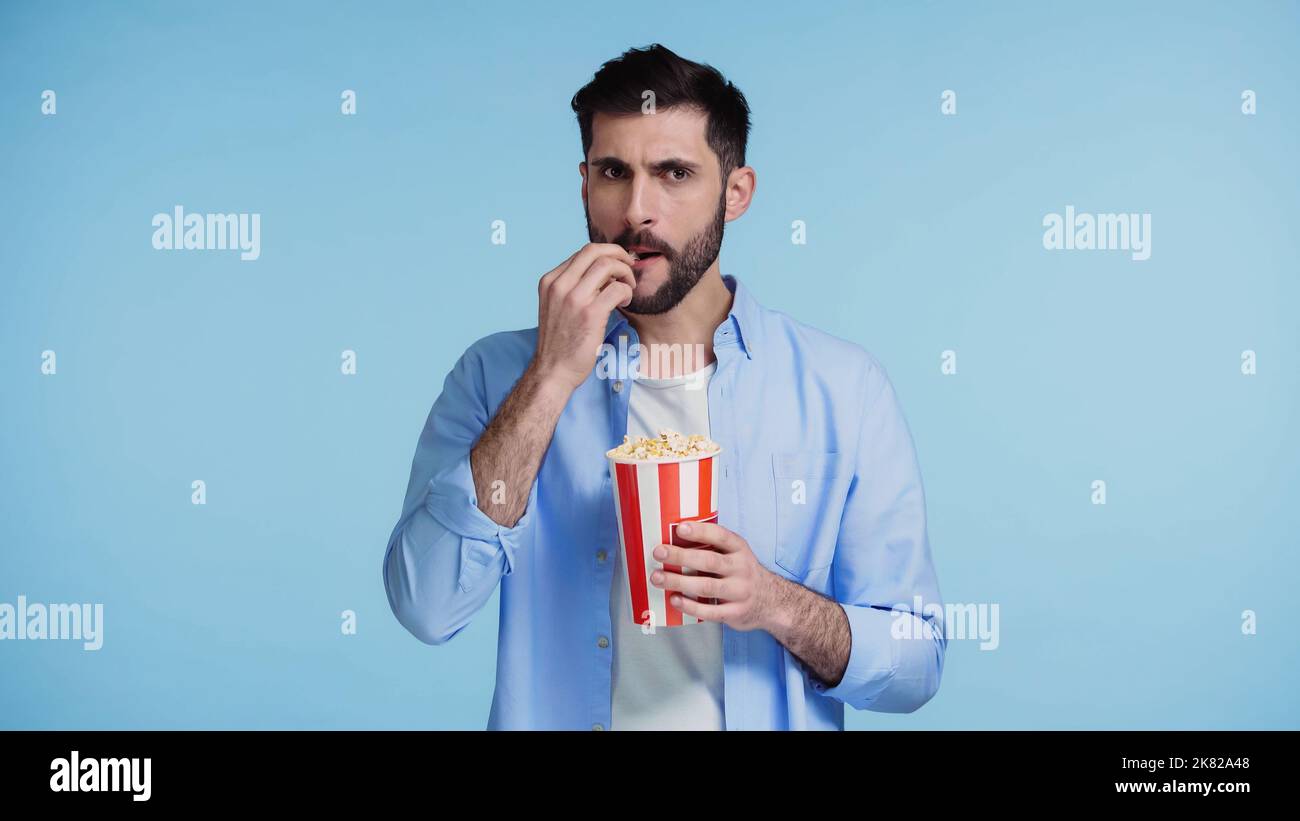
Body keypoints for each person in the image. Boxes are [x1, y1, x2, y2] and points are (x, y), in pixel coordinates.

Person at [383, 44, 945, 730]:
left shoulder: (842, 388)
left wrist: (773, 601)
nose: (637, 210)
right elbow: (427, 605)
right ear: (584, 182)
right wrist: (553, 375)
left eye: (674, 172)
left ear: (735, 193)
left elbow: (917, 663)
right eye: (613, 172)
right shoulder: (496, 376)